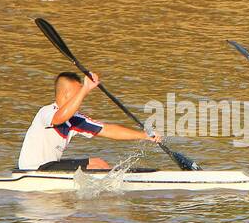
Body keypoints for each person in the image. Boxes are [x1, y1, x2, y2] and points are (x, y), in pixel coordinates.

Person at [18, 71, 160, 171]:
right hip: (33, 170)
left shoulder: (75, 119)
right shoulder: (47, 112)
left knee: (100, 163)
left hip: (50, 166)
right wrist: (85, 89)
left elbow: (108, 130)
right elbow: (59, 118)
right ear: (66, 94)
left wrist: (145, 135)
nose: (82, 97)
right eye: (78, 92)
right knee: (95, 167)